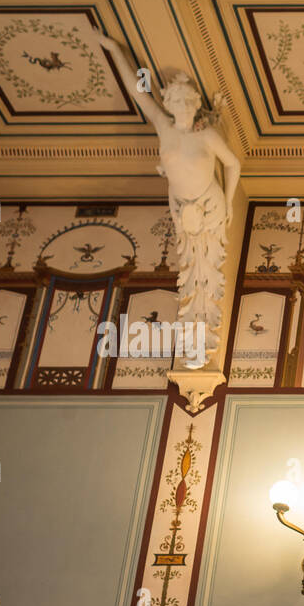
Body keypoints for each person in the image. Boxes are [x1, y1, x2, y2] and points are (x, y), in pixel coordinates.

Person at [99, 36, 241, 363]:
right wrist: (112, 49)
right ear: (171, 104)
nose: (183, 108)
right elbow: (138, 92)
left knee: (206, 266)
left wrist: (230, 202)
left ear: (194, 105)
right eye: (177, 102)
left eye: (188, 103)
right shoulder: (164, 126)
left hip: (209, 206)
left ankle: (201, 338)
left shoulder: (206, 135)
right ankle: (196, 339)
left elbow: (233, 163)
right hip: (181, 208)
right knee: (193, 267)